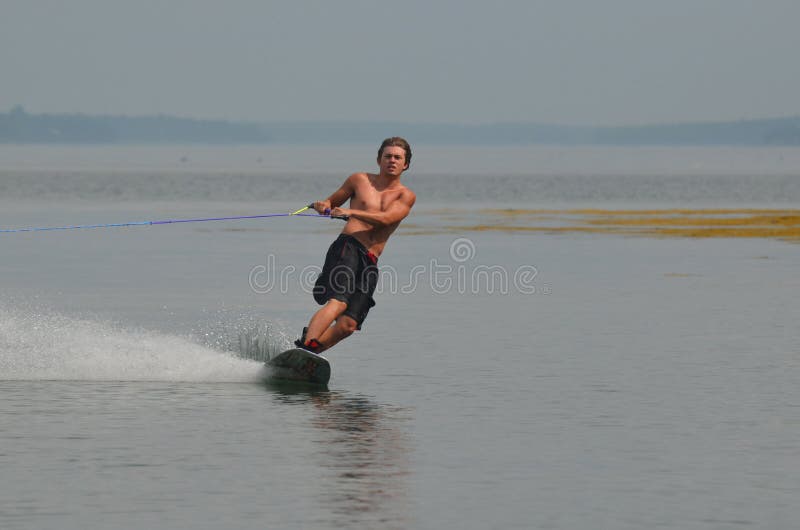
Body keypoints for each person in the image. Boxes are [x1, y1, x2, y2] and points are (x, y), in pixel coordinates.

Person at [296, 137, 416, 354]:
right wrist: (324, 206)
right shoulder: (359, 180)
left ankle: (310, 354)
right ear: (379, 159)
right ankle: (305, 348)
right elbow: (331, 203)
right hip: (348, 248)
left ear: (405, 164)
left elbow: (387, 219)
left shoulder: (405, 196)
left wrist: (351, 212)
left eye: (398, 157)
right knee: (339, 302)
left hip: (370, 260)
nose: (392, 160)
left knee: (348, 325)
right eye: (387, 156)